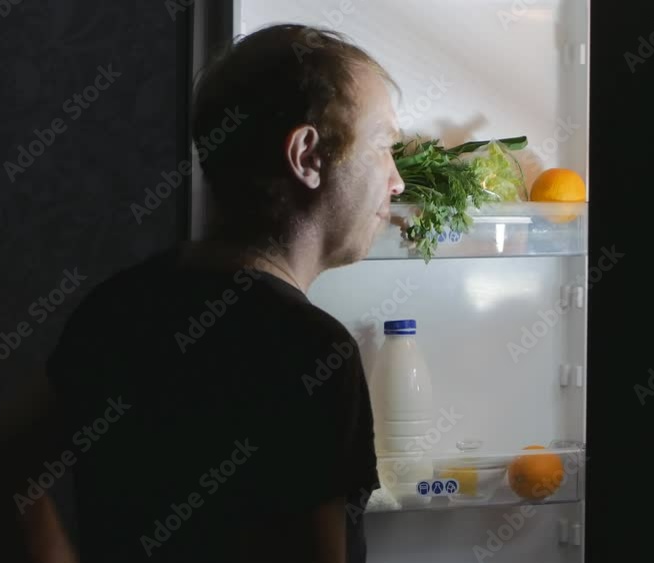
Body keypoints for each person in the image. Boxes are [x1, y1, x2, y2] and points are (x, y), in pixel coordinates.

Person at [42, 24, 405, 562]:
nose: (397, 182)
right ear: (307, 155)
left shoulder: (117, 304)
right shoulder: (313, 352)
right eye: (383, 147)